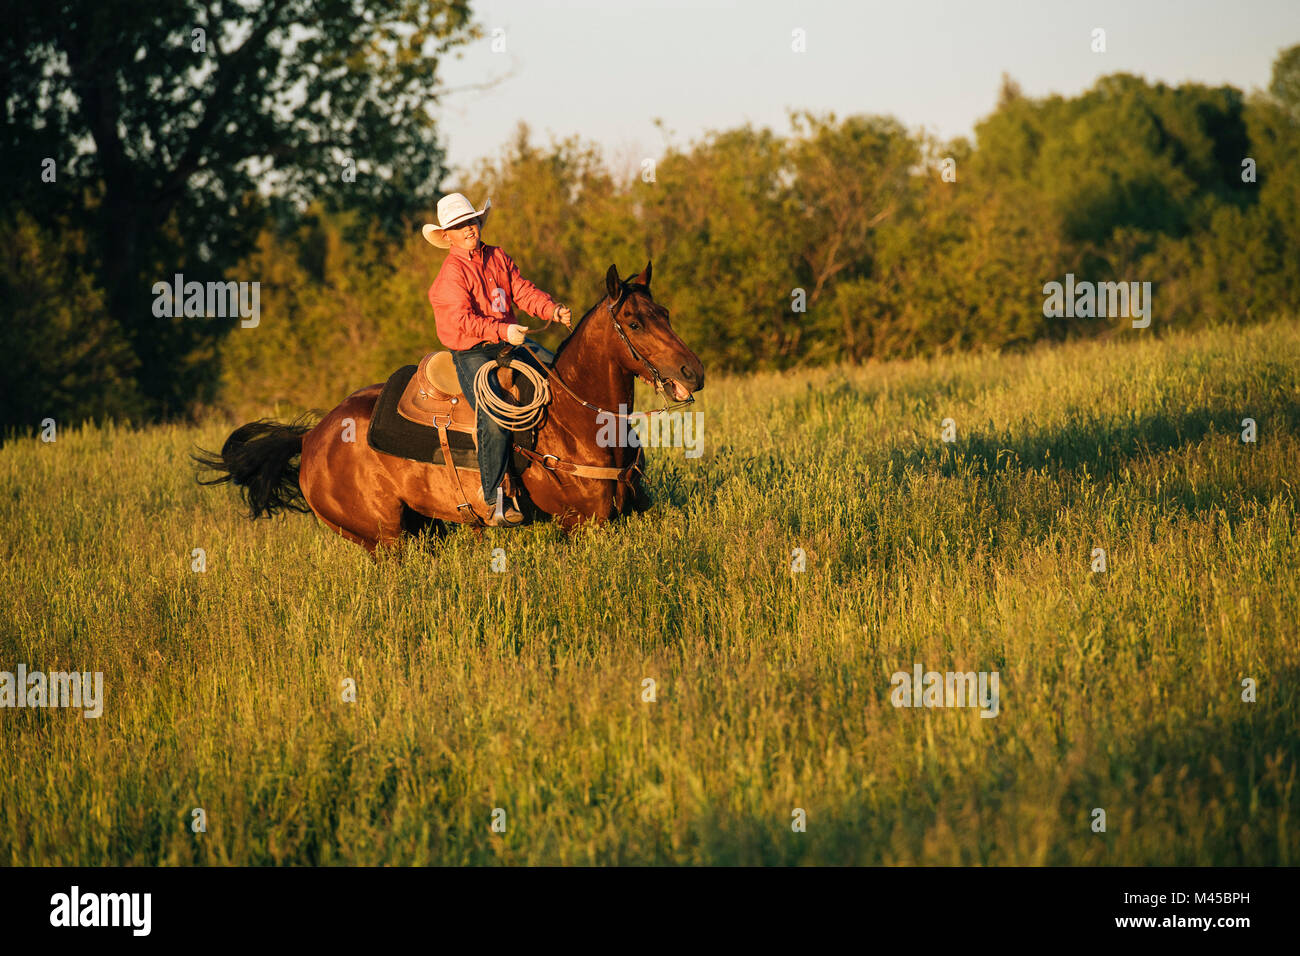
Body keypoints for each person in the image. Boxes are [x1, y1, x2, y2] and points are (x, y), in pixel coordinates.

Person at [424, 193, 573, 525]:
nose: (468, 228)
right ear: (447, 235)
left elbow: (522, 290)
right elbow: (462, 321)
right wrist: (503, 332)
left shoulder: (498, 257)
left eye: (471, 221)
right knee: (492, 413)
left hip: (509, 341)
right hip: (473, 351)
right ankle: (495, 499)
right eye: (459, 225)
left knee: (558, 378)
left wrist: (552, 309)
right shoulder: (451, 273)